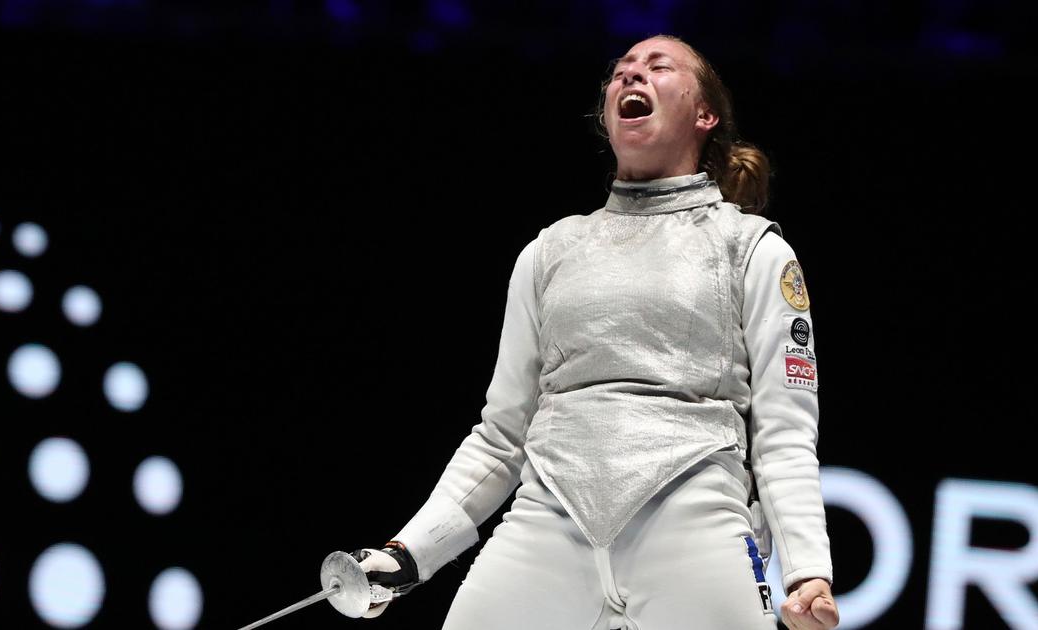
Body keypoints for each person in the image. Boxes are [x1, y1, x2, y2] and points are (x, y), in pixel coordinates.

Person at [347, 34, 839, 630]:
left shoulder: (754, 250)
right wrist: (409, 553)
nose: (632, 77)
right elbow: (502, 435)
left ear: (704, 115)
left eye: (657, 68)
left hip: (696, 524)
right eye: (621, 71)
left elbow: (785, 433)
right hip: (548, 518)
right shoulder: (551, 250)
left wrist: (806, 569)